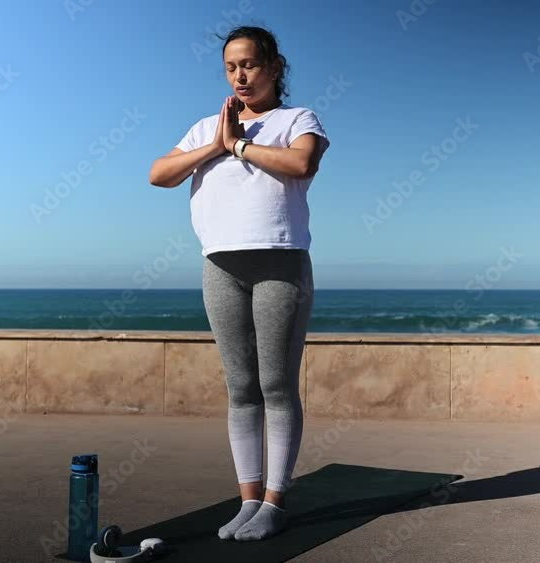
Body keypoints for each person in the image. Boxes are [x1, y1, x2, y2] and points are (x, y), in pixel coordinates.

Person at [148, 26, 330, 541]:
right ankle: (248, 501)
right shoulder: (210, 127)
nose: (240, 75)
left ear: (274, 66)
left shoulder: (297, 119)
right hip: (221, 267)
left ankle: (275, 502)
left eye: (249, 64)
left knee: (275, 384)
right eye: (231, 67)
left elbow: (301, 161)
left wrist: (241, 149)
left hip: (279, 262)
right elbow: (159, 174)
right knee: (240, 388)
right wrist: (216, 145)